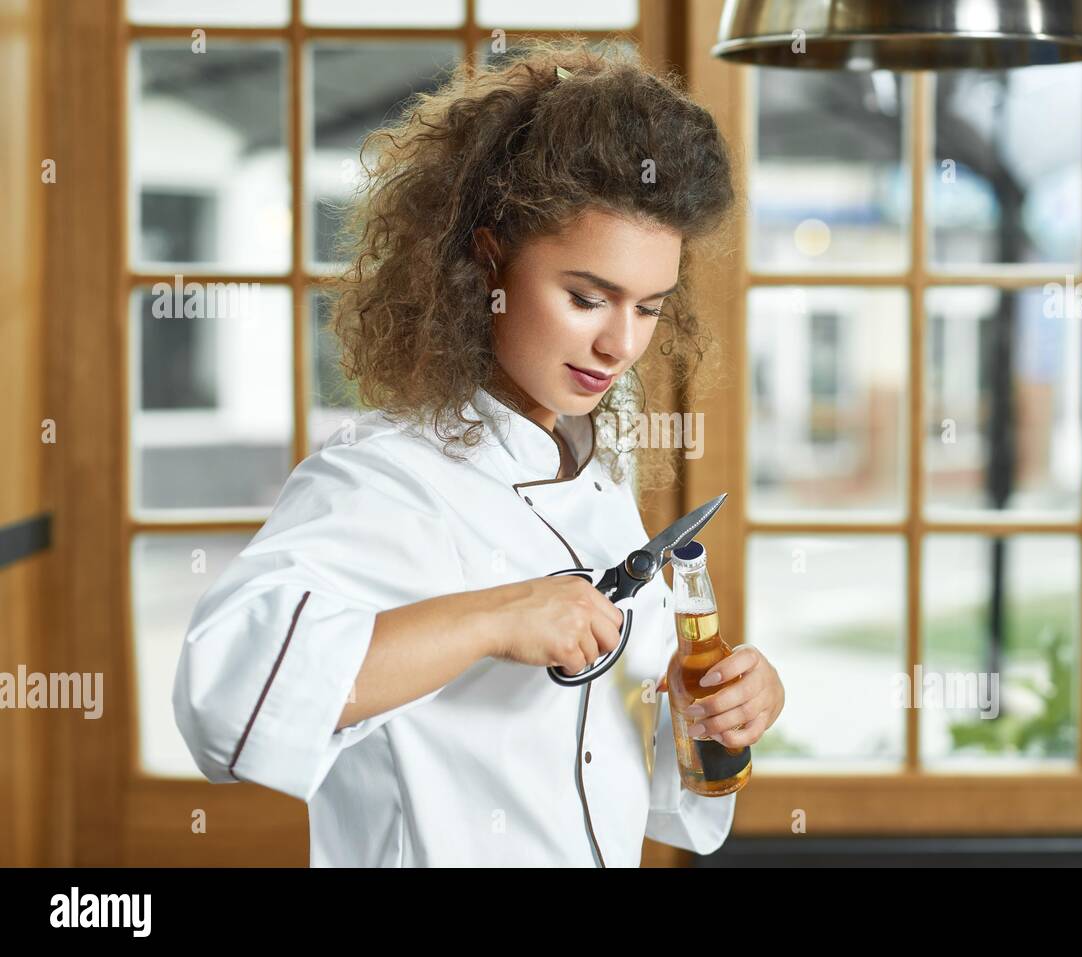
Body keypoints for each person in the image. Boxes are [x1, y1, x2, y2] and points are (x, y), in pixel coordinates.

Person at [172, 39, 786, 867]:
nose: (618, 344)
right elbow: (225, 700)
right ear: (487, 258)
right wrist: (495, 617)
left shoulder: (594, 481)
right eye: (585, 297)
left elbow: (593, 762)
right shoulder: (383, 480)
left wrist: (701, 712)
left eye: (648, 308)